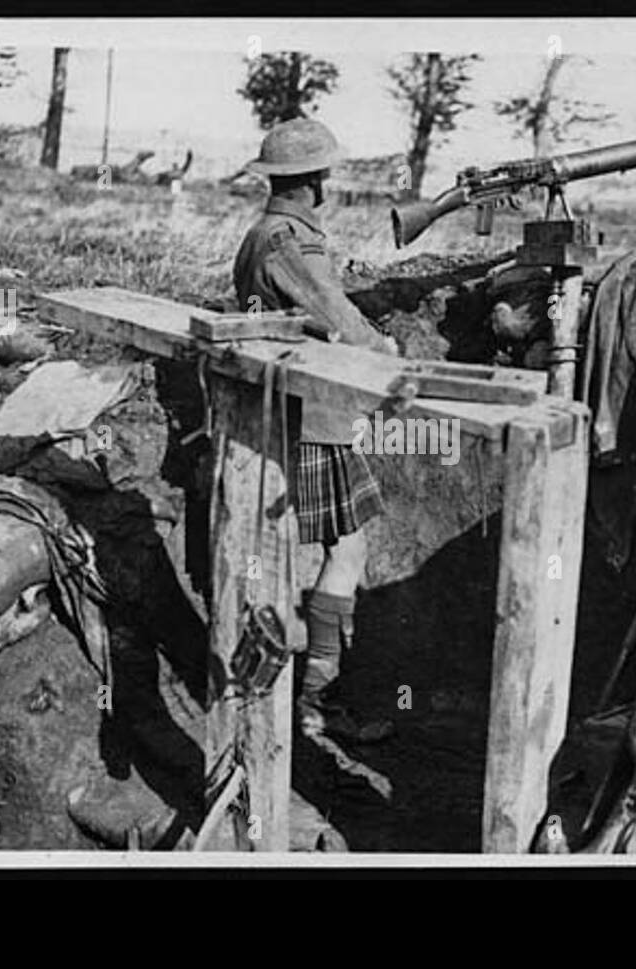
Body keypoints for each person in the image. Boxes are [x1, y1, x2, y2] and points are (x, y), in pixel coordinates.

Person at [233, 117, 396, 745]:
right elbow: (337, 317)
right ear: (306, 183)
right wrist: (385, 348)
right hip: (312, 414)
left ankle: (309, 698)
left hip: (295, 407)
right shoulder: (287, 240)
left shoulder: (266, 233)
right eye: (321, 175)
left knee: (333, 552)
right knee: (346, 550)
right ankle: (316, 704)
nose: (327, 186)